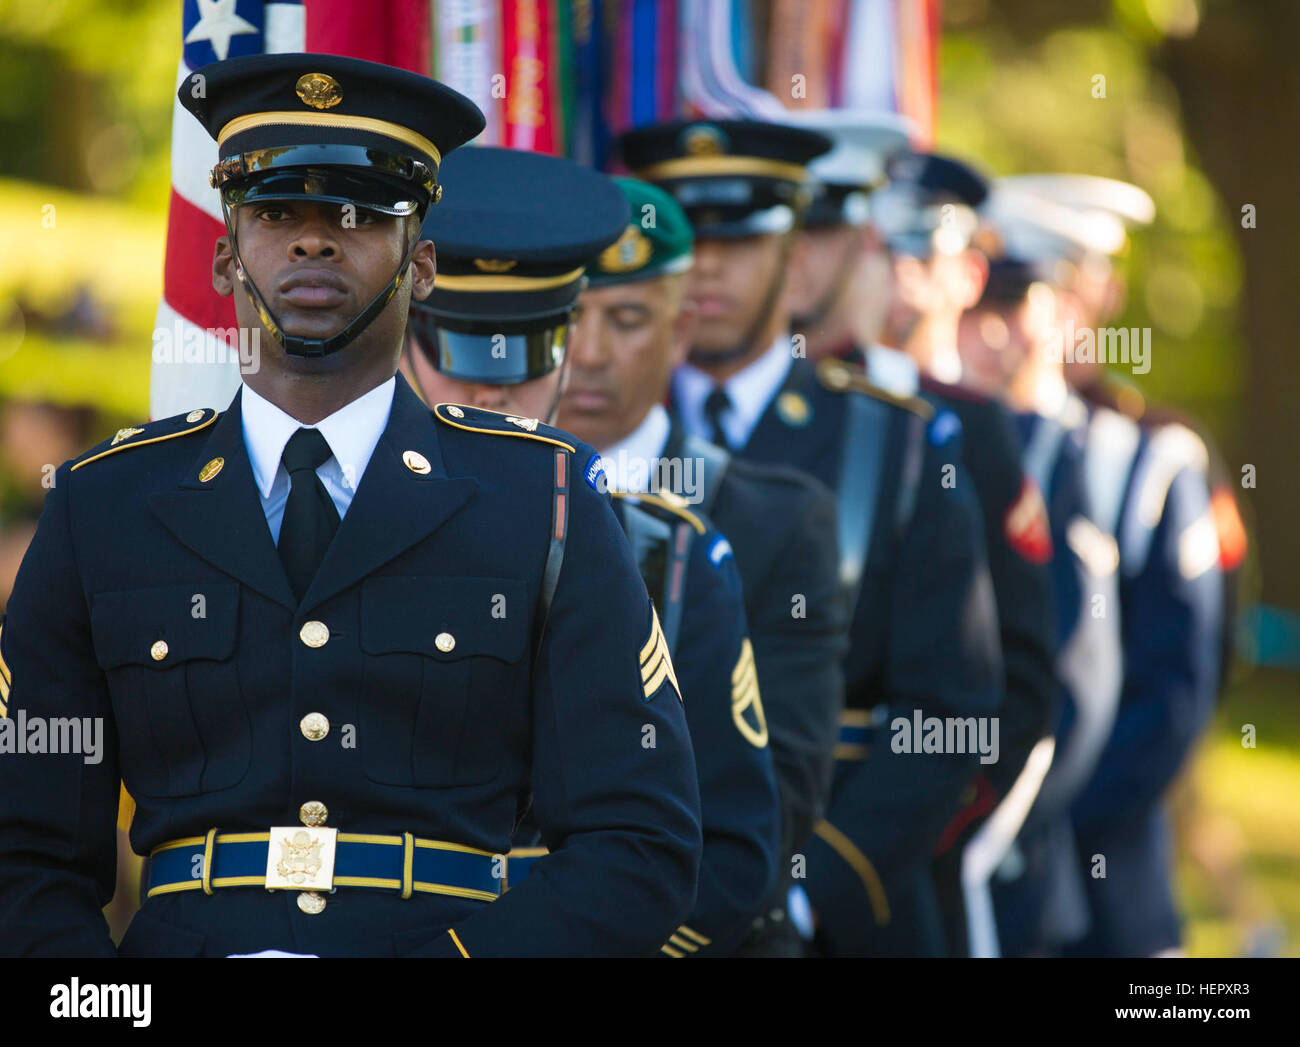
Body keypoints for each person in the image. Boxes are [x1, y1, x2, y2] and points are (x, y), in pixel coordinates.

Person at [0, 54, 703, 958]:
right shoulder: (103, 504)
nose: (314, 241)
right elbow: (27, 859)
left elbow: (639, 844)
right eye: (275, 211)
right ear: (224, 255)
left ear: (423, 268)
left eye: (363, 214)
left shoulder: (547, 495)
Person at [622, 117, 1003, 957]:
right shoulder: (606, 431)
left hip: (842, 912)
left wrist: (806, 889)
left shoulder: (892, 441)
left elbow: (950, 711)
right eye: (690, 240)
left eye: (742, 241)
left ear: (794, 256)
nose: (709, 268)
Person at [400, 148, 781, 957]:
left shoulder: (669, 555)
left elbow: (728, 851)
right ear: (404, 346)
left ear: (563, 352)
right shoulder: (322, 530)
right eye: (458, 348)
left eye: (523, 352)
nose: (491, 388)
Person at [554, 175, 849, 955]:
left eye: (624, 320)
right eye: (566, 319)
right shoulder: (490, 495)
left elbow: (775, 792)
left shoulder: (774, 520)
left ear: (682, 332)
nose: (586, 354)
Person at [785, 127, 1060, 957]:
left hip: (896, 867)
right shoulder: (774, 409)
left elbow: (1012, 683)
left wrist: (903, 829)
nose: (891, 272)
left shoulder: (964, 430)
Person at [991, 177, 1228, 957]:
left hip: (1107, 870)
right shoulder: (962, 439)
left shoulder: (1146, 457)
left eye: (1071, 288)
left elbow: (1175, 685)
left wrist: (1046, 813)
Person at [956, 187, 1136, 955]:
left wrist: (991, 820)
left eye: (1014, 309)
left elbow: (1077, 680)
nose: (993, 335)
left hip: (1016, 845)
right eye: (978, 311)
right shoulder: (942, 433)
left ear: (1056, 312)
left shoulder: (1072, 454)